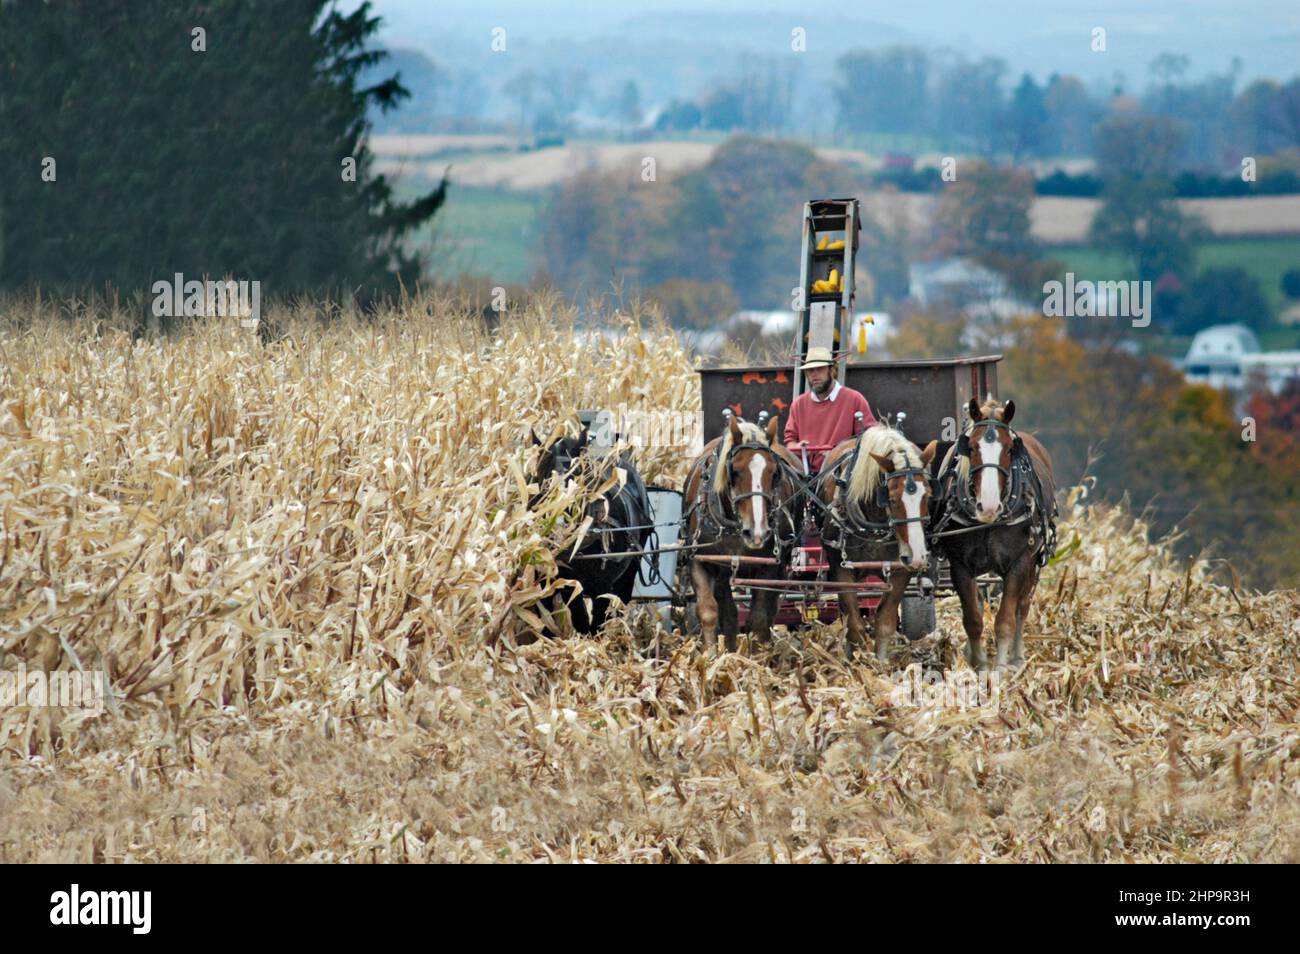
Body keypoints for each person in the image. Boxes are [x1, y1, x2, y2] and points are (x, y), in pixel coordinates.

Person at [783, 346, 877, 473]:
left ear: (831, 370)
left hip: (842, 478)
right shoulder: (798, 404)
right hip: (804, 476)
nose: (814, 374)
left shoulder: (855, 399)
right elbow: (790, 441)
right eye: (810, 370)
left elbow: (869, 440)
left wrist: (837, 454)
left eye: (820, 369)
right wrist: (797, 448)